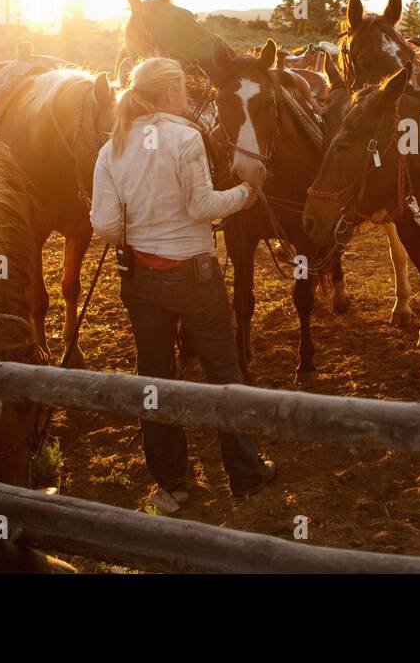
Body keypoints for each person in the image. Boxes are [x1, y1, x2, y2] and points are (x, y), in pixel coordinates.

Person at [90, 56, 275, 513]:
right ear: (170, 92)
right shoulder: (185, 138)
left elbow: (106, 225)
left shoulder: (110, 147)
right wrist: (244, 195)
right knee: (224, 374)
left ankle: (172, 483)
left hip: (140, 280)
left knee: (153, 378)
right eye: (183, 90)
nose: (188, 97)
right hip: (194, 276)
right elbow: (202, 207)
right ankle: (245, 475)